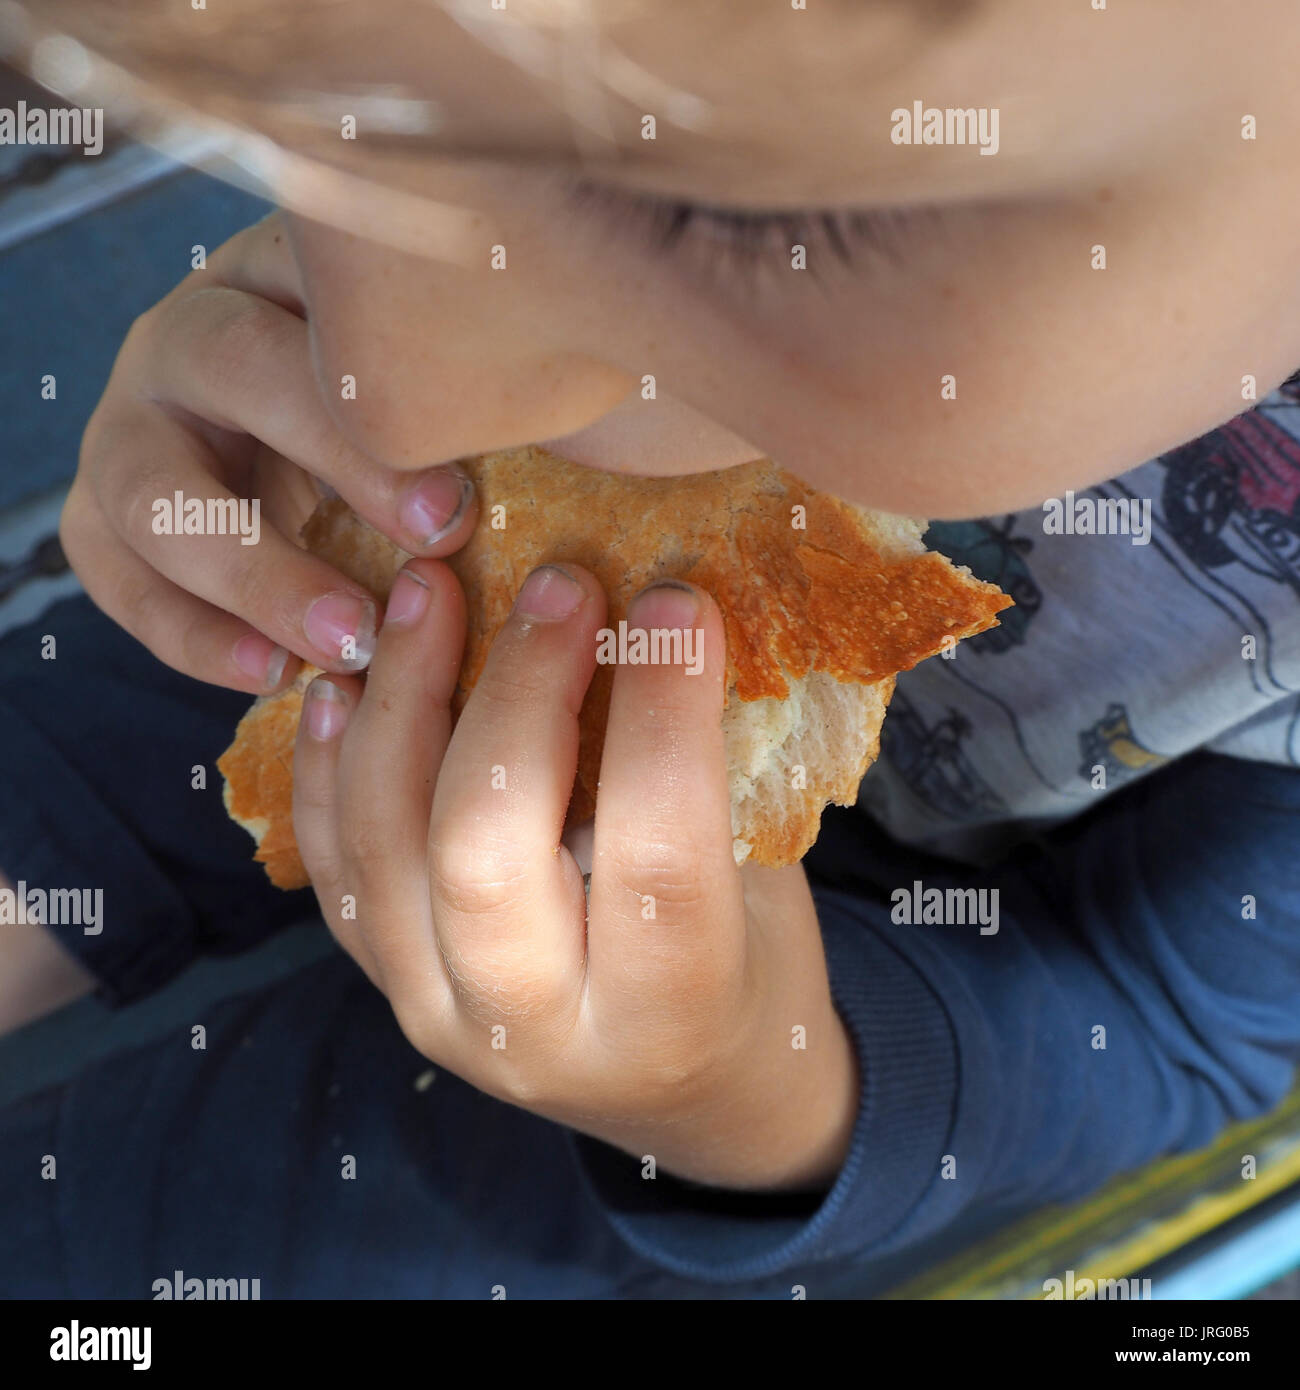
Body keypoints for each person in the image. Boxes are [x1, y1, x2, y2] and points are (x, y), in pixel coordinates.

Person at [2, 0, 1298, 1296]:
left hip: (818, 994)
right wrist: (235, 404)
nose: (380, 386)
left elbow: (1161, 1023)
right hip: (413, 605)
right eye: (307, 142)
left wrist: (750, 1092)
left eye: (736, 208)